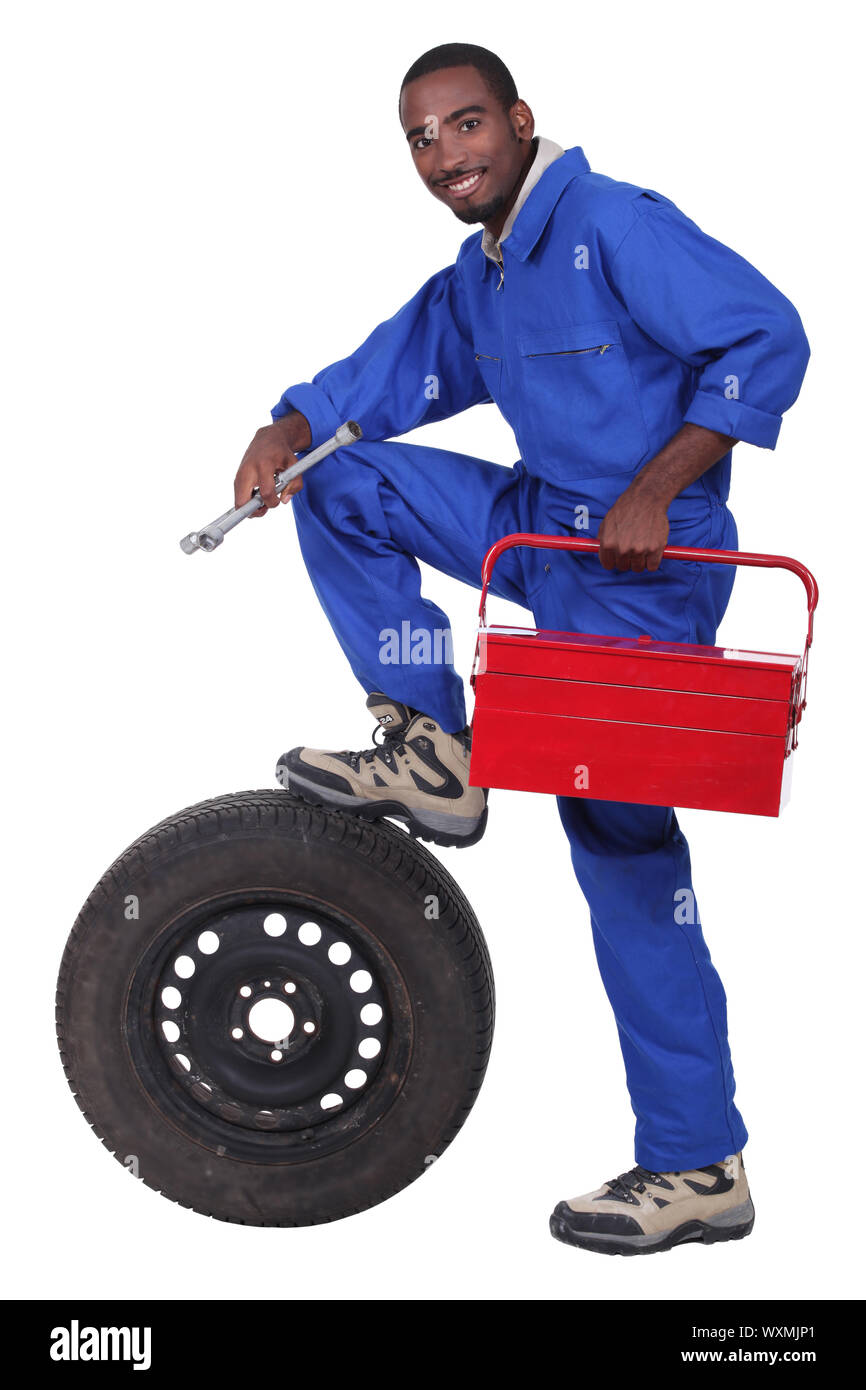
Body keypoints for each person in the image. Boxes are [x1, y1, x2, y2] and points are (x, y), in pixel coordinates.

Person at [233, 42, 809, 1255]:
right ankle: (431, 736)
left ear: (517, 118)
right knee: (350, 485)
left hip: (646, 575)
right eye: (422, 139)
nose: (446, 155)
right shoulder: (479, 275)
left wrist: (656, 487)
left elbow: (767, 336)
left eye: (464, 125)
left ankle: (698, 1160)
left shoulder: (610, 224)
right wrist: (286, 425)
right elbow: (391, 373)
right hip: (541, 527)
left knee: (621, 852)